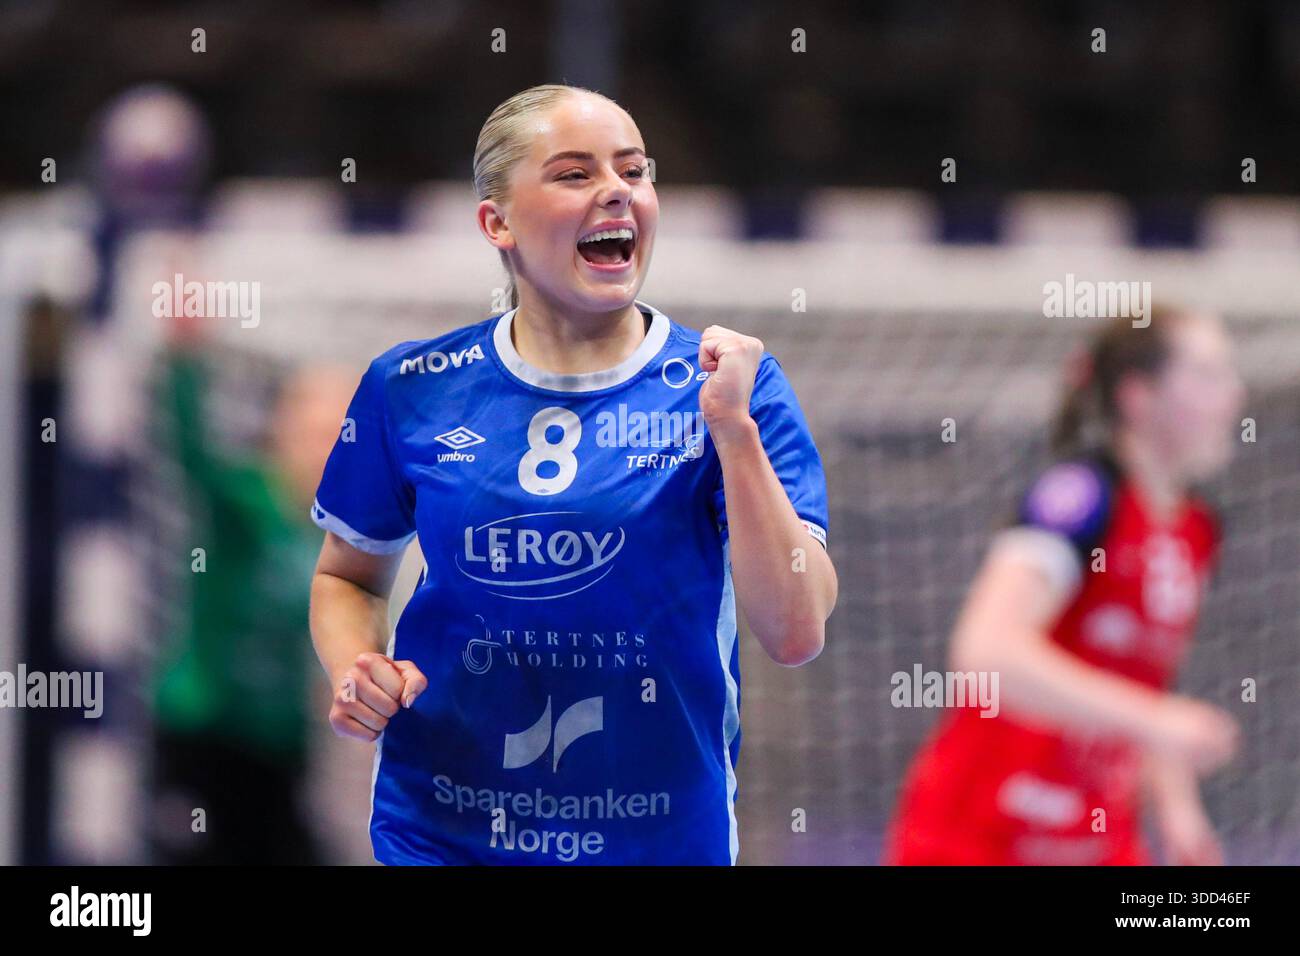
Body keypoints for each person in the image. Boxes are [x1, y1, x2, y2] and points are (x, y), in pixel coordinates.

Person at [308, 83, 838, 865]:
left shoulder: (733, 388)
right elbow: (347, 576)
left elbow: (795, 632)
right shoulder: (411, 386)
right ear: (498, 222)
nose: (617, 191)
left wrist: (733, 433)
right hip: (445, 828)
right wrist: (358, 665)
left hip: (658, 836)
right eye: (574, 174)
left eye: (634, 170)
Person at [883, 305, 1244, 865]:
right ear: (1138, 396)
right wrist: (1160, 721)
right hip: (979, 839)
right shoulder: (1080, 498)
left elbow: (1139, 681)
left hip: (1096, 837)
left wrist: (1177, 807)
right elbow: (985, 654)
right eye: (1206, 375)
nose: (1233, 397)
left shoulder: (1196, 530)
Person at [149, 315, 355, 864]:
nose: (324, 452)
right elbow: (191, 456)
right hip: (206, 738)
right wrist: (183, 362)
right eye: (314, 434)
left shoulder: (334, 535)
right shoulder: (243, 503)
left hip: (279, 749)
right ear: (282, 431)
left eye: (339, 438)